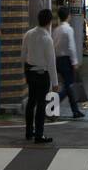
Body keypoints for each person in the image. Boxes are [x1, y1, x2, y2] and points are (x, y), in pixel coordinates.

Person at [21, 8, 60, 144]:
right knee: (41, 104)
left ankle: (28, 131)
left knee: (31, 102)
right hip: (42, 74)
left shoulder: (28, 34)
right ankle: (39, 134)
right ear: (49, 22)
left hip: (30, 72)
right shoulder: (47, 39)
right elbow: (51, 62)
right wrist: (55, 83)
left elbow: (23, 55)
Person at [53, 7, 85, 119]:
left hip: (58, 60)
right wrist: (75, 62)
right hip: (67, 61)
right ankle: (53, 104)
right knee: (69, 86)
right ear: (67, 16)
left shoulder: (56, 30)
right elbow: (71, 47)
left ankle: (75, 111)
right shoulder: (68, 29)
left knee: (68, 84)